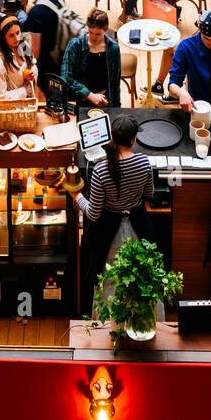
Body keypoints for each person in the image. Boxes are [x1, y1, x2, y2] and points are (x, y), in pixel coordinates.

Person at [77, 114, 154, 309]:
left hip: (108, 232)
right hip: (138, 226)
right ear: (133, 139)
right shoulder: (144, 162)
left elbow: (93, 213)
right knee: (136, 280)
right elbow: (149, 194)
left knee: (110, 283)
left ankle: (108, 324)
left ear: (111, 137)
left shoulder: (100, 170)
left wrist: (76, 196)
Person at [163, 8, 211, 110]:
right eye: (207, 39)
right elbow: (172, 85)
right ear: (199, 31)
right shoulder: (186, 47)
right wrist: (181, 92)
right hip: (198, 108)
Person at [60, 8, 122, 106]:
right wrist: (90, 95)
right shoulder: (75, 45)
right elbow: (66, 78)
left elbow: (115, 83)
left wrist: (116, 107)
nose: (93, 37)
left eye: (98, 34)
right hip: (81, 101)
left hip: (105, 100)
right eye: (91, 32)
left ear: (105, 30)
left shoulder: (113, 48)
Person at [23, 0, 66, 89]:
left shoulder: (36, 12)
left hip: (49, 61)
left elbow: (35, 51)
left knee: (47, 94)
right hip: (64, 51)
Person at [0, 16, 35, 100]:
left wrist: (33, 73)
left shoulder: (24, 45)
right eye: (11, 35)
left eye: (18, 32)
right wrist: (24, 91)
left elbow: (33, 63)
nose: (17, 38)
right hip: (8, 109)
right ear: (3, 37)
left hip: (27, 104)